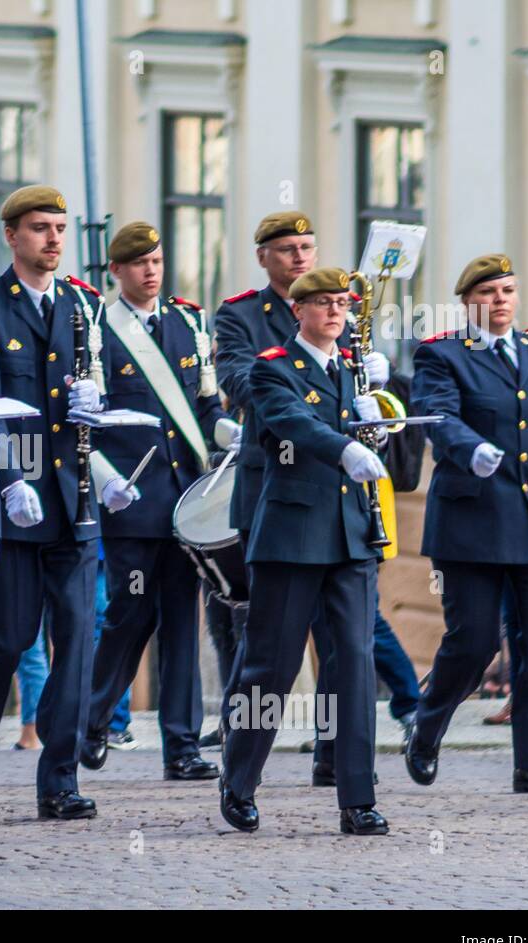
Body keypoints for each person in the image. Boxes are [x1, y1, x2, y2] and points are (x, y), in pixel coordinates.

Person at [220, 266, 389, 836]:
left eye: (342, 303)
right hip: (292, 538)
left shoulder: (352, 369)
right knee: (271, 667)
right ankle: (239, 778)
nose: (334, 313)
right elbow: (291, 423)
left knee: (355, 665)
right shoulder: (273, 370)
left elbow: (370, 435)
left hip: (349, 534)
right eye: (322, 304)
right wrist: (346, 447)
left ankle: (356, 798)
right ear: (299, 311)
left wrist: (380, 426)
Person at [405, 254, 528, 793]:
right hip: (474, 520)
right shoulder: (443, 354)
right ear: (468, 302)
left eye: (507, 290)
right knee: (474, 643)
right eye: (489, 292)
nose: (500, 300)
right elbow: (437, 416)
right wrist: (469, 447)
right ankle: (427, 725)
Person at [0, 184, 107, 821]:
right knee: (7, 641)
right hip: (16, 504)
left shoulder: (80, 303)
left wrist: (93, 401)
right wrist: (7, 480)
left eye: (60, 227)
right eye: (41, 228)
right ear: (13, 236)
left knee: (78, 640)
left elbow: (92, 374)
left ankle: (60, 777)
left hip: (74, 501)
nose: (53, 239)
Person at [79, 222, 237, 781]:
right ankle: (92, 719)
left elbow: (207, 408)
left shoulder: (189, 322)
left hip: (185, 498)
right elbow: (87, 423)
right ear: (117, 271)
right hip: (132, 499)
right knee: (129, 613)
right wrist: (104, 481)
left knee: (180, 621)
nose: (151, 271)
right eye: (139, 263)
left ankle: (182, 746)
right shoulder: (98, 327)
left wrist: (228, 435)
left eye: (158, 261)